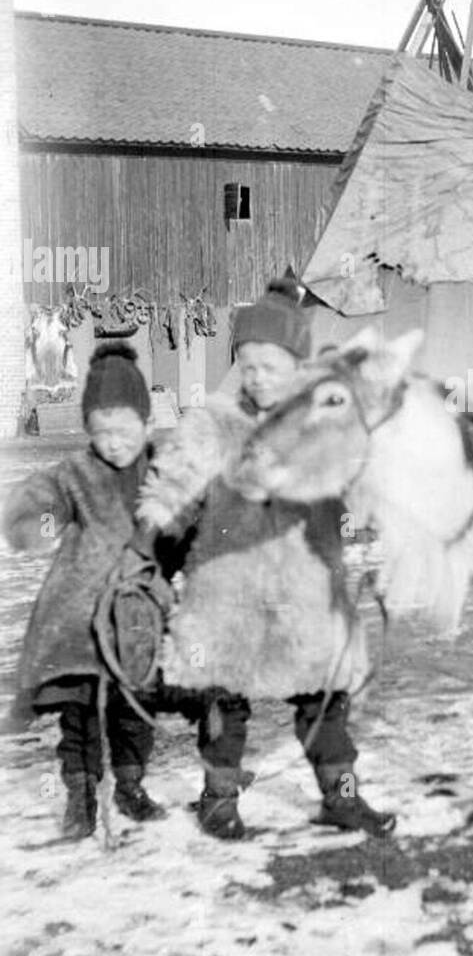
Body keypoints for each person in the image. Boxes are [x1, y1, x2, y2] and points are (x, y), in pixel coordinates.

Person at [134, 278, 395, 842]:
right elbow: (176, 488)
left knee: (326, 698)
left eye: (269, 366)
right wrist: (150, 541)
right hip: (227, 591)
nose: (255, 377)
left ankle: (342, 798)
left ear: (298, 366)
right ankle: (218, 801)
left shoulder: (324, 423)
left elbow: (358, 487)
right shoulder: (215, 423)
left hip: (305, 590)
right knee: (223, 703)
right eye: (247, 365)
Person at [1, 341, 166, 839]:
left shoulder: (162, 473)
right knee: (80, 717)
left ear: (146, 423)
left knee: (134, 712)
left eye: (124, 431)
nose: (113, 444)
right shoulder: (77, 473)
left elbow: (192, 516)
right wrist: (38, 519)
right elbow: (47, 497)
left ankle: (130, 787)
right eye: (100, 432)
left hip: (135, 619)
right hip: (77, 618)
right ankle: (80, 796)